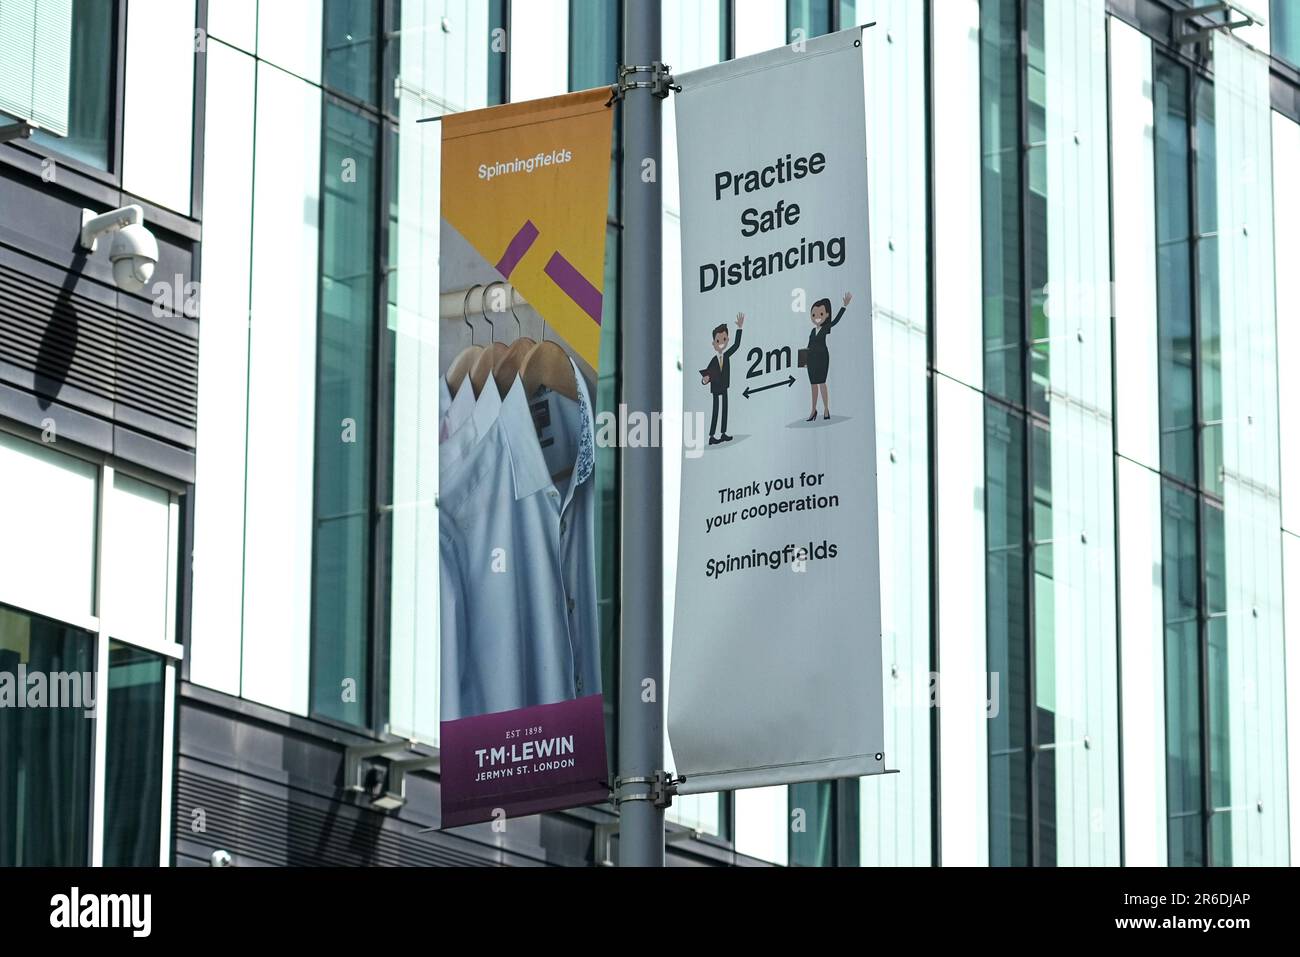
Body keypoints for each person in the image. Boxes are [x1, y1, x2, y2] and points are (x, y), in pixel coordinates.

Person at [805, 292, 852, 421]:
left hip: (822, 358)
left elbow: (835, 321)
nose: (817, 317)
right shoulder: (812, 331)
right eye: (813, 314)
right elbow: (808, 345)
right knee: (813, 385)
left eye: (820, 314)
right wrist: (803, 361)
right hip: (811, 360)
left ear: (826, 315)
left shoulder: (825, 328)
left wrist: (844, 306)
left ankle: (826, 408)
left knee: (821, 383)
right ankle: (813, 409)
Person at [699, 313, 745, 445]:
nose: (721, 344)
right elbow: (706, 375)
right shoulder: (714, 360)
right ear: (714, 343)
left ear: (727, 340)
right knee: (716, 410)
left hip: (724, 386)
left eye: (724, 340)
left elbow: (737, 345)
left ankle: (723, 433)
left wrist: (739, 328)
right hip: (715, 388)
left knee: (724, 409)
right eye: (718, 341)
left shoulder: (727, 356)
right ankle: (712, 435)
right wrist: (705, 380)